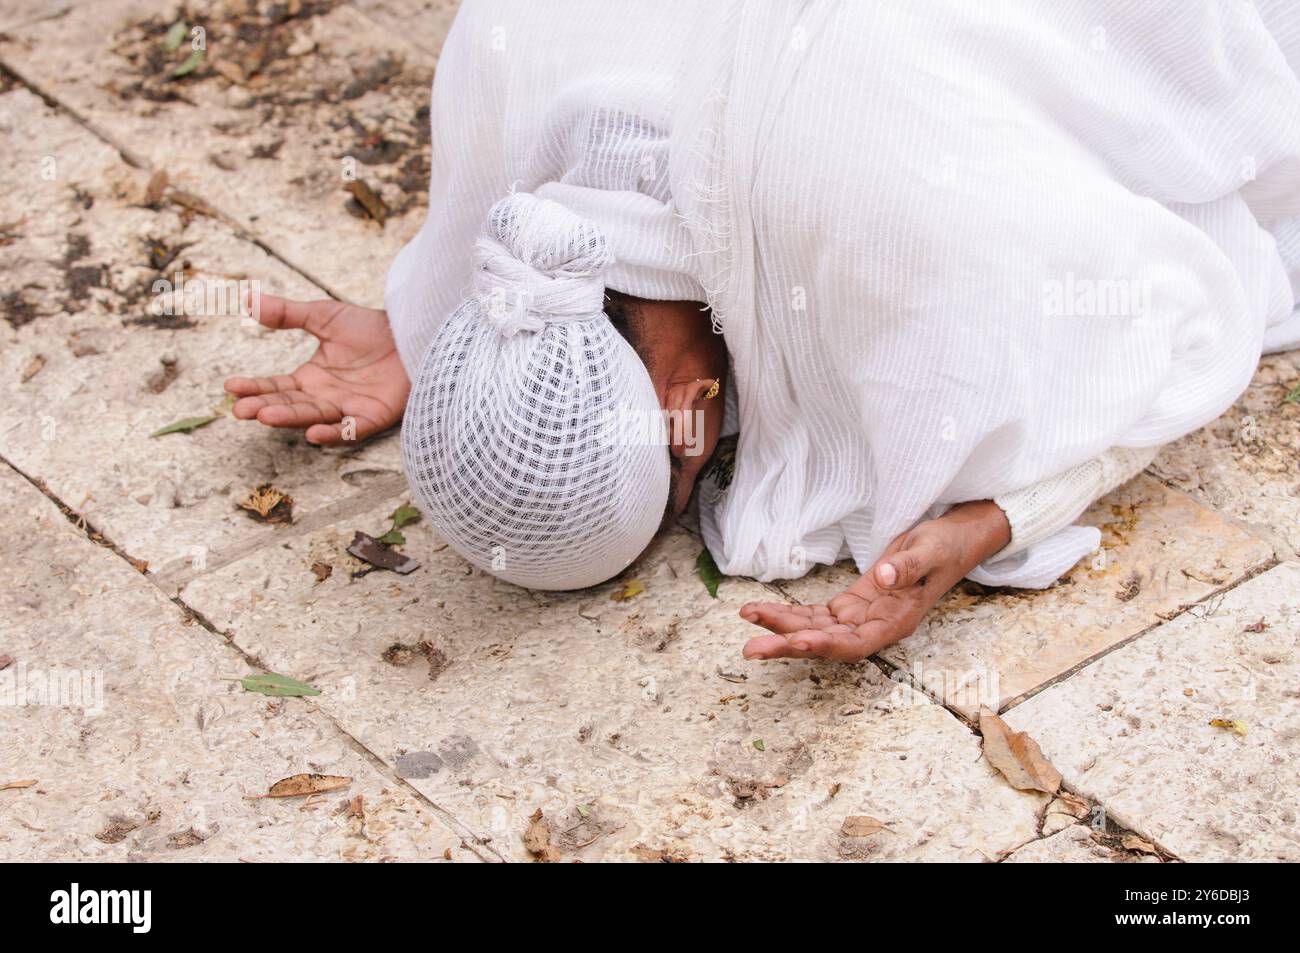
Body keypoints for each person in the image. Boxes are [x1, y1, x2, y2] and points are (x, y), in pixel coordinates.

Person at [227, 0, 1300, 663]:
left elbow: (1183, 330)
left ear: (694, 423)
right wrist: (426, 332)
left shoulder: (877, 221)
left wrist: (995, 516)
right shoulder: (501, 77)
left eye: (687, 487)